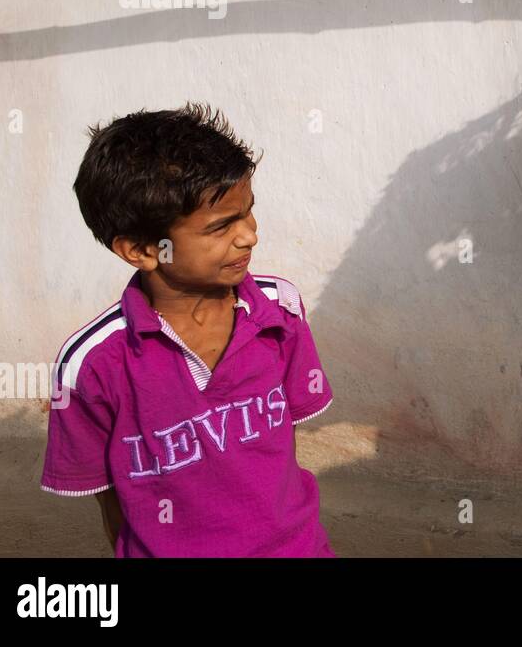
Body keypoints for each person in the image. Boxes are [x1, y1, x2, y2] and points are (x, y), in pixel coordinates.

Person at [41, 102, 335, 557]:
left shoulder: (280, 310)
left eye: (248, 211)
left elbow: (278, 455)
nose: (249, 235)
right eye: (220, 227)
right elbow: (110, 501)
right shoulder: (91, 364)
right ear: (141, 250)